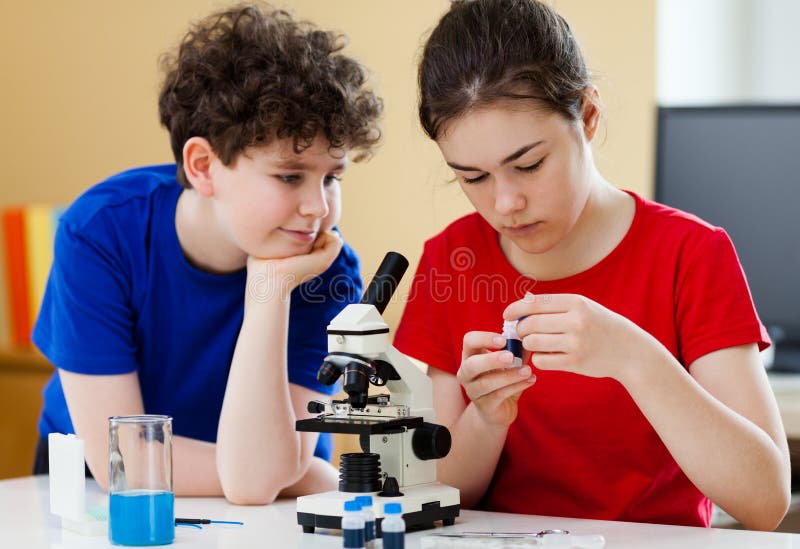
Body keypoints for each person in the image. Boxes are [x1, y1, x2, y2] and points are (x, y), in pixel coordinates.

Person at [394, 0, 790, 530]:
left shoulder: (690, 253)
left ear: (588, 115)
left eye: (529, 164)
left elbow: (765, 502)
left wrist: (635, 359)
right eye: (473, 177)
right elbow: (440, 494)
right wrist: (485, 418)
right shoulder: (452, 259)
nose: (505, 203)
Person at [32, 3, 382, 504]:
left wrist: (269, 289)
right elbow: (123, 463)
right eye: (289, 175)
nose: (316, 207)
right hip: (87, 484)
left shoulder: (327, 269)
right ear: (203, 166)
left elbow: (259, 481)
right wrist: (290, 475)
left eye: (332, 177)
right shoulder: (99, 232)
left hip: (264, 492)